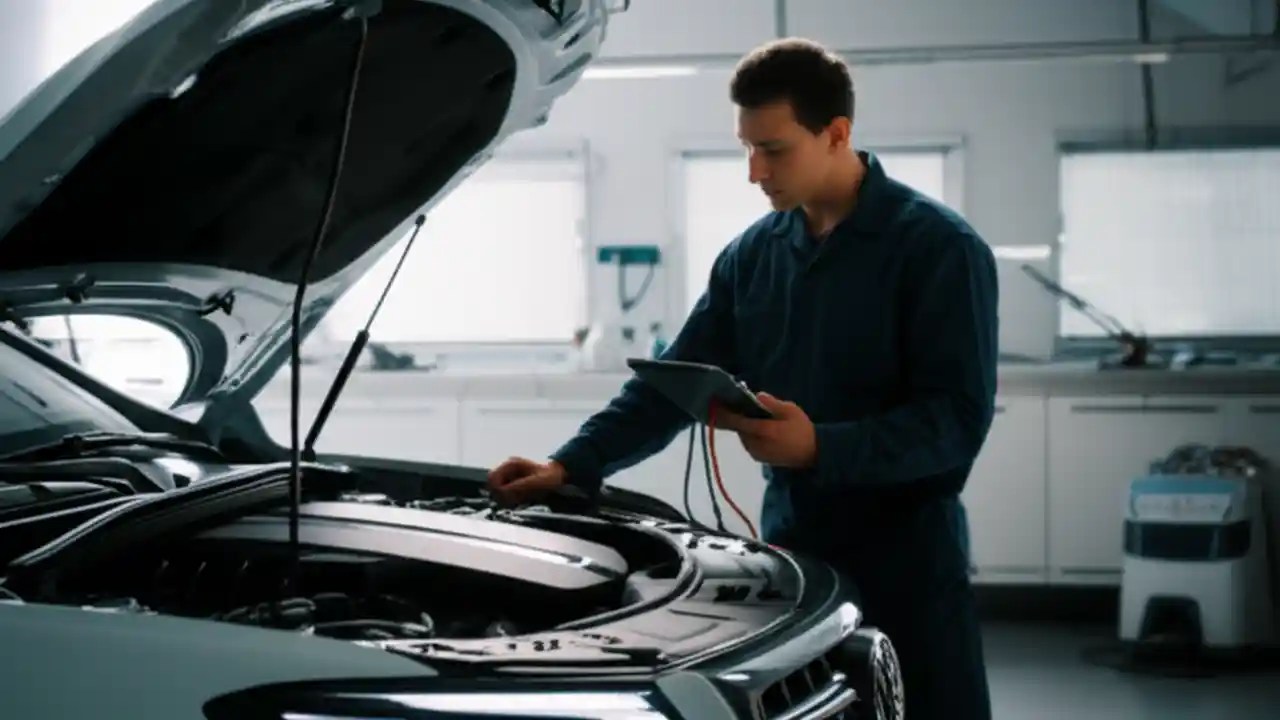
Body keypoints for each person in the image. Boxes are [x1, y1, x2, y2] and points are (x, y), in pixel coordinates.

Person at [488, 37, 998, 720]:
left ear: (837, 133)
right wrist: (571, 463)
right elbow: (669, 385)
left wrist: (820, 446)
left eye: (774, 149)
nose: (755, 172)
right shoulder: (752, 256)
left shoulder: (939, 249)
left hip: (910, 565)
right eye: (746, 148)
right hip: (794, 560)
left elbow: (956, 422)